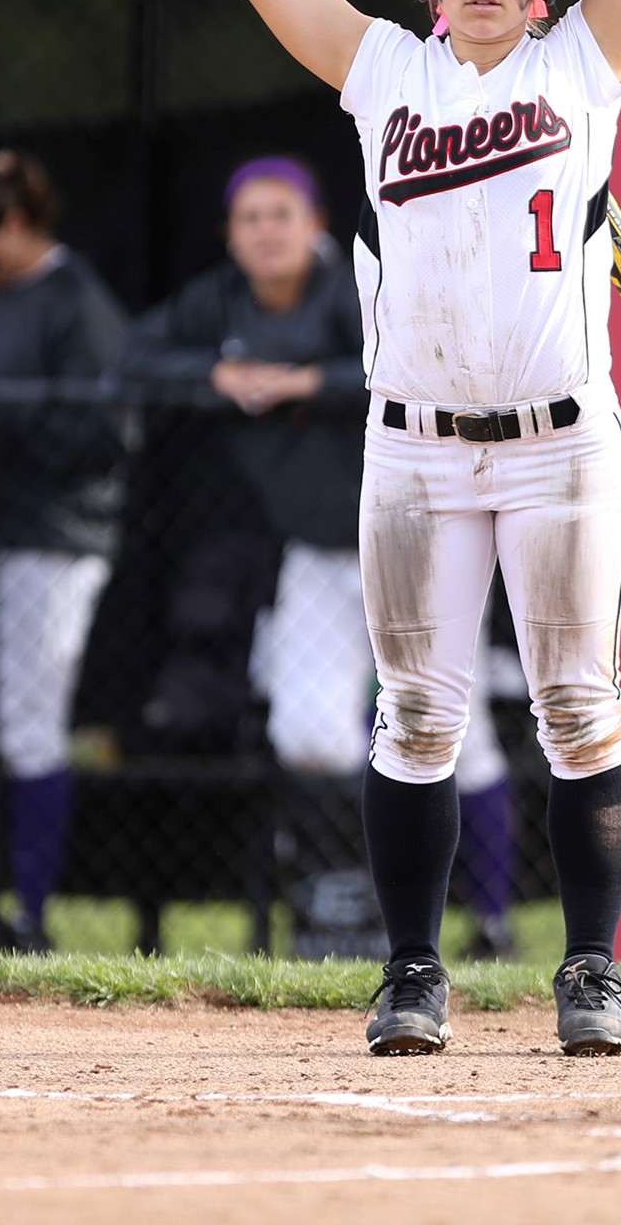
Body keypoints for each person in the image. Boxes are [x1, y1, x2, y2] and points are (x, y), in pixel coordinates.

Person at [220, 0, 621, 1054]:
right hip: (416, 449)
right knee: (416, 710)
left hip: (556, 445)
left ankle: (590, 969)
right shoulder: (384, 67)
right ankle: (413, 973)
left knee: (576, 702)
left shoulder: (583, 61)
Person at [117, 155, 518, 959]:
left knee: (451, 729)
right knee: (306, 733)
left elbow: (420, 361)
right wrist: (215, 372)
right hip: (318, 552)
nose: (266, 232)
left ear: (317, 224)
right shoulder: (220, 301)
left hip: (421, 536)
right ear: (231, 234)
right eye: (249, 218)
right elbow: (127, 355)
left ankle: (491, 922)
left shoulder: (357, 284)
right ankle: (348, 915)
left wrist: (307, 383)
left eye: (282, 215)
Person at [0, 149, 127, 950]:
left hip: (51, 538)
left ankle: (32, 918)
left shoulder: (76, 301)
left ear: (14, 223)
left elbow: (107, 435)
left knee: (26, 725)